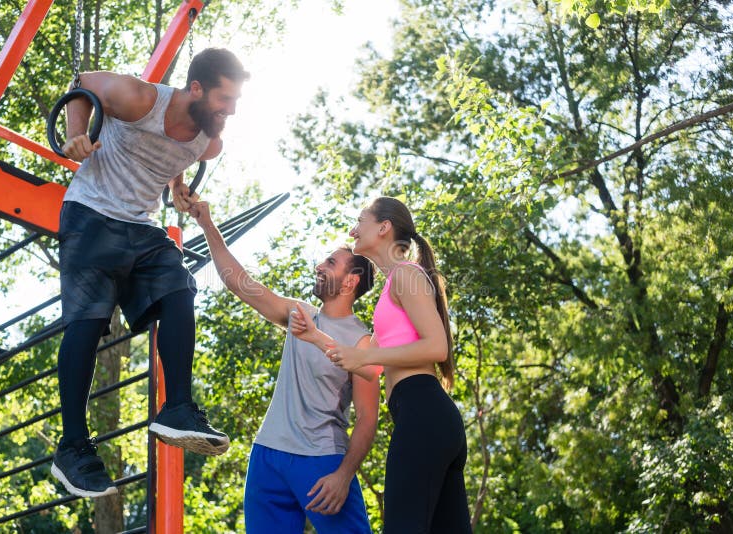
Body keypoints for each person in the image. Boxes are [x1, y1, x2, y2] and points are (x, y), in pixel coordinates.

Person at [50, 48, 250, 498]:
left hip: (140, 227)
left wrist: (178, 189)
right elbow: (81, 81)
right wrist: (76, 134)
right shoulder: (141, 99)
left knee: (180, 287)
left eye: (236, 101)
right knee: (87, 323)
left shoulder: (210, 141)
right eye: (225, 99)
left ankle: (177, 407)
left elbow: (172, 159)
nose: (231, 111)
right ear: (195, 88)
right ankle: (73, 447)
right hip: (90, 213)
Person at [188, 199, 381, 533]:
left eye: (331, 262)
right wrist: (206, 222)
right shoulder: (299, 314)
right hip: (268, 456)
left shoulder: (363, 342)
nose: (320, 265)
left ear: (351, 281)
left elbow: (368, 418)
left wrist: (343, 475)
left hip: (322, 462)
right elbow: (240, 282)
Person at [289, 197, 472, 533]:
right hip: (424, 418)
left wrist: (367, 355)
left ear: (384, 228)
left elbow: (436, 346)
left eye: (360, 221)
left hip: (423, 414)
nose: (353, 229)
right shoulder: (392, 289)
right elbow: (368, 368)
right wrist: (316, 337)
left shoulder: (406, 274)